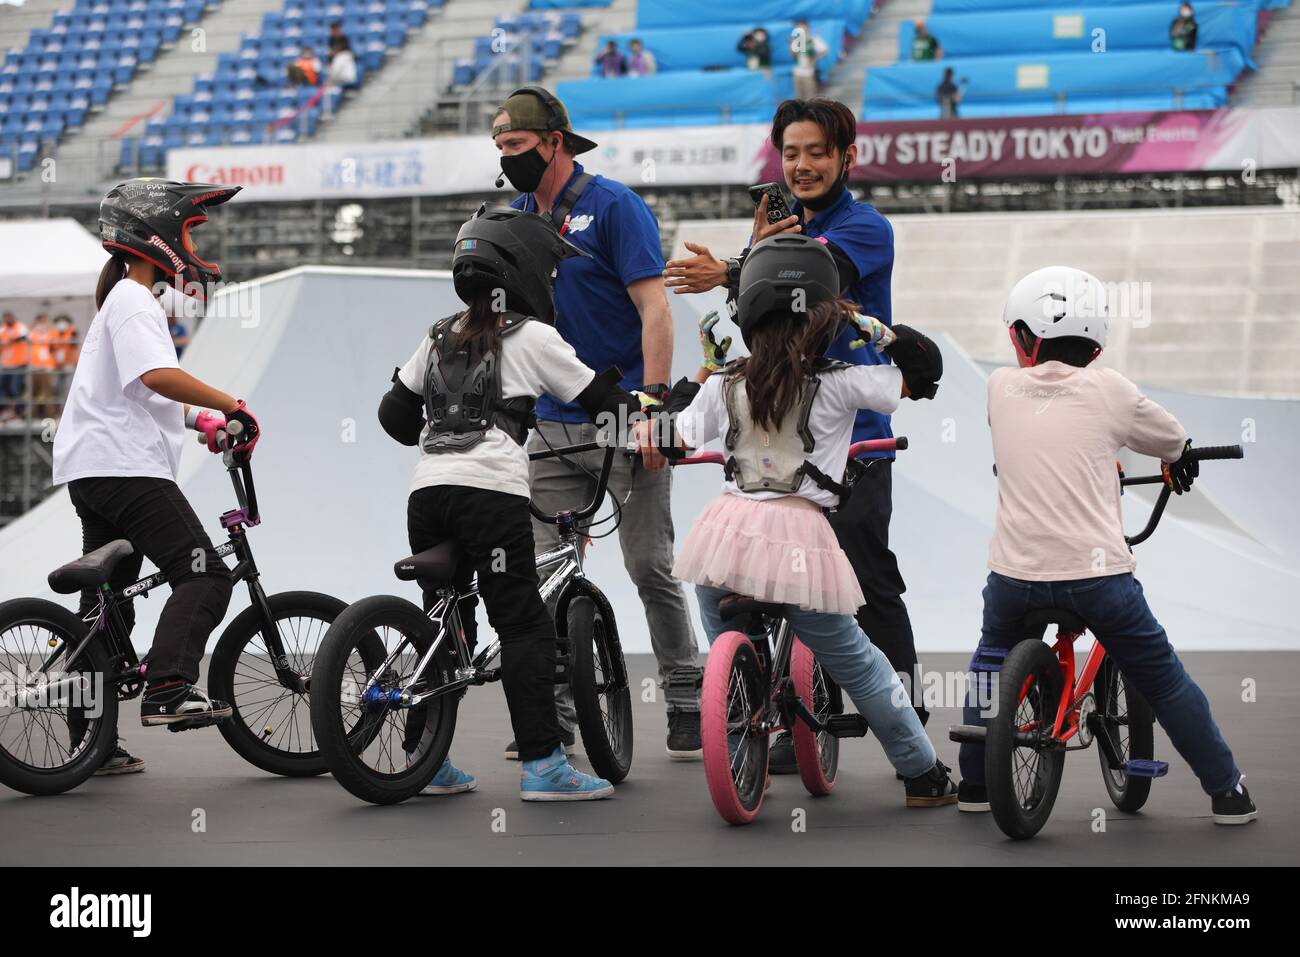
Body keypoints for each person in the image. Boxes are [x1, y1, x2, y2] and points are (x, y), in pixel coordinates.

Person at [663, 98, 930, 774]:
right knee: (760, 582)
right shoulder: (773, 235)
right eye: (791, 154)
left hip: (853, 437)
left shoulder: (865, 227)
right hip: (774, 441)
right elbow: (753, 324)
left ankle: (909, 705)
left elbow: (805, 278)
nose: (802, 165)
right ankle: (777, 716)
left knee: (865, 577)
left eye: (816, 152)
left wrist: (734, 265)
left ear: (847, 157)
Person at [642, 234, 957, 807]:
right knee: (859, 664)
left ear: (746, 314)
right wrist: (878, 332)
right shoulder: (843, 382)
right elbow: (922, 374)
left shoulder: (725, 382)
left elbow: (676, 437)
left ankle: (742, 715)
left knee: (726, 637)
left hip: (724, 536)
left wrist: (688, 387)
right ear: (828, 316)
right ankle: (922, 774)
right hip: (799, 540)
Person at [955, 265, 1257, 826]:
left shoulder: (999, 387)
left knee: (989, 661)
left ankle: (974, 781)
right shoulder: (1111, 389)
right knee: (1163, 678)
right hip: (1098, 581)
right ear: (1094, 346)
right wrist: (1178, 459)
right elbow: (1172, 438)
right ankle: (1227, 791)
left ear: (1025, 337)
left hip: (1013, 578)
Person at [378, 204, 646, 800]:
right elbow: (599, 400)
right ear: (523, 269)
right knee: (523, 623)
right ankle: (543, 766)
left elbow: (392, 417)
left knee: (446, 619)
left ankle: (426, 755)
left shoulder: (439, 335)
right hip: (490, 495)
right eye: (548, 275)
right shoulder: (535, 336)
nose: (550, 284)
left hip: (429, 495)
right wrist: (647, 413)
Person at [491, 87, 703, 758]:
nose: (507, 160)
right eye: (499, 150)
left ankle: (686, 696)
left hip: (623, 418)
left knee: (649, 566)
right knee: (541, 574)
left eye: (517, 147)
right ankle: (552, 717)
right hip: (552, 423)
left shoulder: (615, 206)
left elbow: (655, 310)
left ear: (555, 141)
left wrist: (653, 406)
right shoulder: (516, 216)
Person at [52, 178, 259, 776]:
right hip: (126, 470)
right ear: (158, 234)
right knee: (204, 574)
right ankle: (168, 688)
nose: (195, 242)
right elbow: (159, 375)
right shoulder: (134, 300)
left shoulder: (121, 299)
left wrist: (204, 418)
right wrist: (234, 404)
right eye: (191, 229)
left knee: (107, 607)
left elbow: (144, 388)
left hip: (94, 472)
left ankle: (89, 743)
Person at [27, 312, 58, 420]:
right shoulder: (32, 334)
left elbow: (55, 340)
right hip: (34, 368)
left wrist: (46, 323)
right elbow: (27, 333)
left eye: (43, 322)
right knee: (33, 392)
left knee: (47, 392)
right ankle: (32, 415)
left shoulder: (51, 334)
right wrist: (34, 323)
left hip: (46, 368)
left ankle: (49, 414)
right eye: (39, 322)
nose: (41, 324)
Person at [1, 310, 30, 420]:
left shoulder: (20, 326)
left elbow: (24, 337)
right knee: (3, 388)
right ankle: (6, 409)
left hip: (19, 364)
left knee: (15, 388)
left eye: (9, 317)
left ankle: (19, 411)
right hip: (6, 365)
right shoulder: (3, 329)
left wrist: (10, 341)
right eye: (5, 318)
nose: (7, 320)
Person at [791, 19, 828, 100]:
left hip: (809, 72)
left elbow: (825, 51)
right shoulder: (796, 42)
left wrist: (814, 59)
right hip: (797, 72)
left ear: (807, 28)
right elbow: (792, 55)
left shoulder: (813, 39)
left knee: (810, 97)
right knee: (799, 97)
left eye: (803, 28)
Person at [327, 21, 357, 87]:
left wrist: (335, 52)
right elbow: (330, 53)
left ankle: (334, 80)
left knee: (341, 62)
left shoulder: (344, 38)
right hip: (336, 58)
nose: (334, 32)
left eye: (336, 29)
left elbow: (346, 49)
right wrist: (330, 61)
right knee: (333, 66)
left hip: (346, 56)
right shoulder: (331, 39)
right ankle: (334, 81)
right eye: (332, 30)